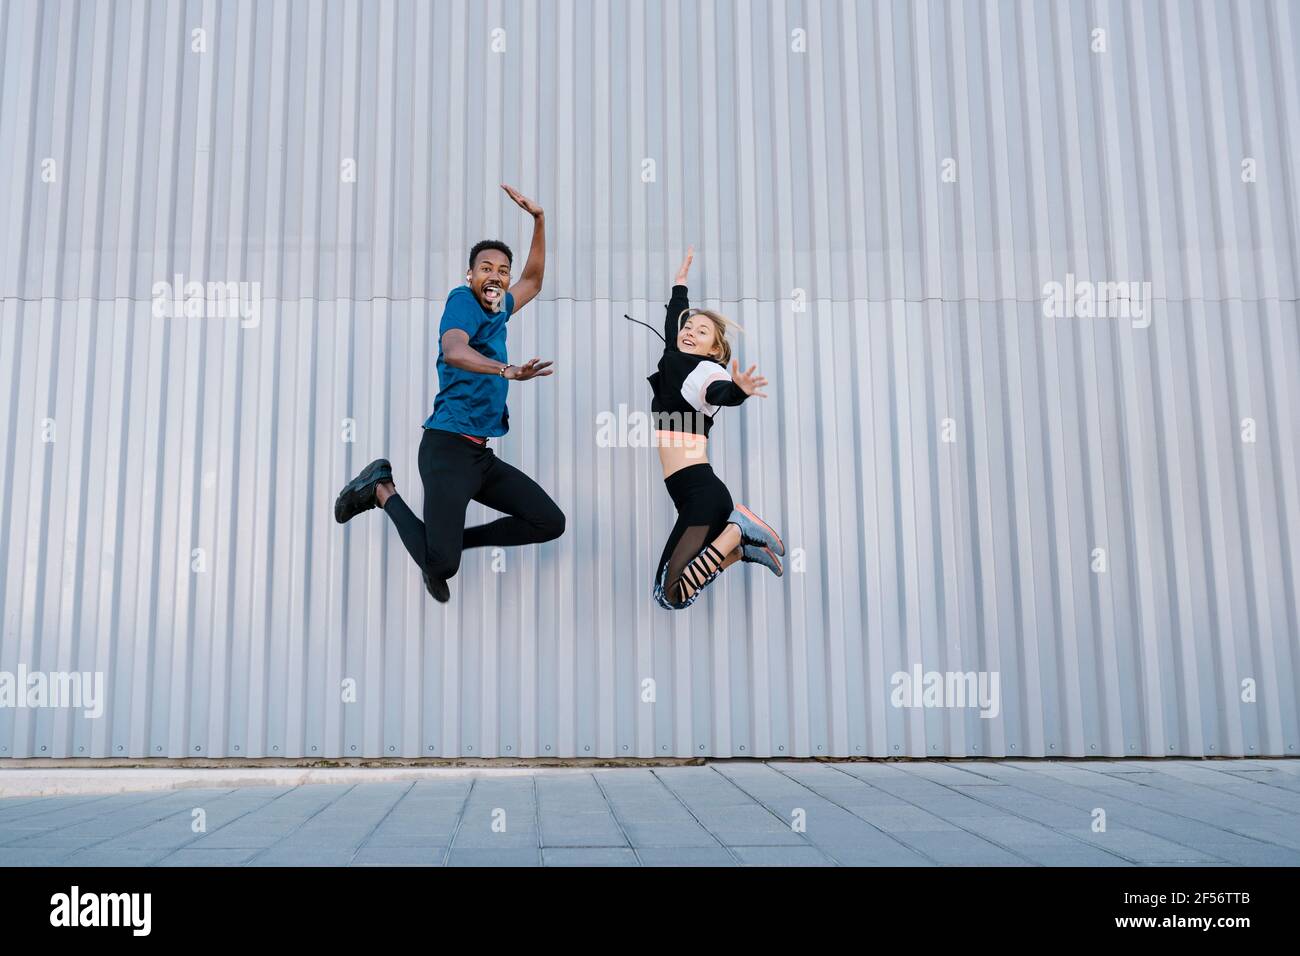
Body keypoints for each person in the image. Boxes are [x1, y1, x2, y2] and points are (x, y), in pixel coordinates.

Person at [334, 184, 565, 603]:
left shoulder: (499, 308)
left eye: (503, 271)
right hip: (447, 451)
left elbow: (533, 280)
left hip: (479, 456)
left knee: (549, 521)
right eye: (486, 268)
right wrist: (506, 370)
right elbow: (454, 349)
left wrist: (539, 219)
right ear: (469, 275)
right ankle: (381, 489)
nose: (495, 275)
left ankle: (453, 543)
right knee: (441, 565)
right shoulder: (463, 302)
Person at [647, 246, 785, 610]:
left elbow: (718, 391)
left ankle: (738, 528)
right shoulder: (675, 361)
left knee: (671, 595)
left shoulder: (704, 372)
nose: (690, 332)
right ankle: (738, 550)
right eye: (688, 328)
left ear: (714, 349)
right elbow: (673, 325)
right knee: (670, 594)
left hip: (702, 496)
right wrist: (679, 285)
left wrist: (738, 390)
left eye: (702, 331)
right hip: (691, 497)